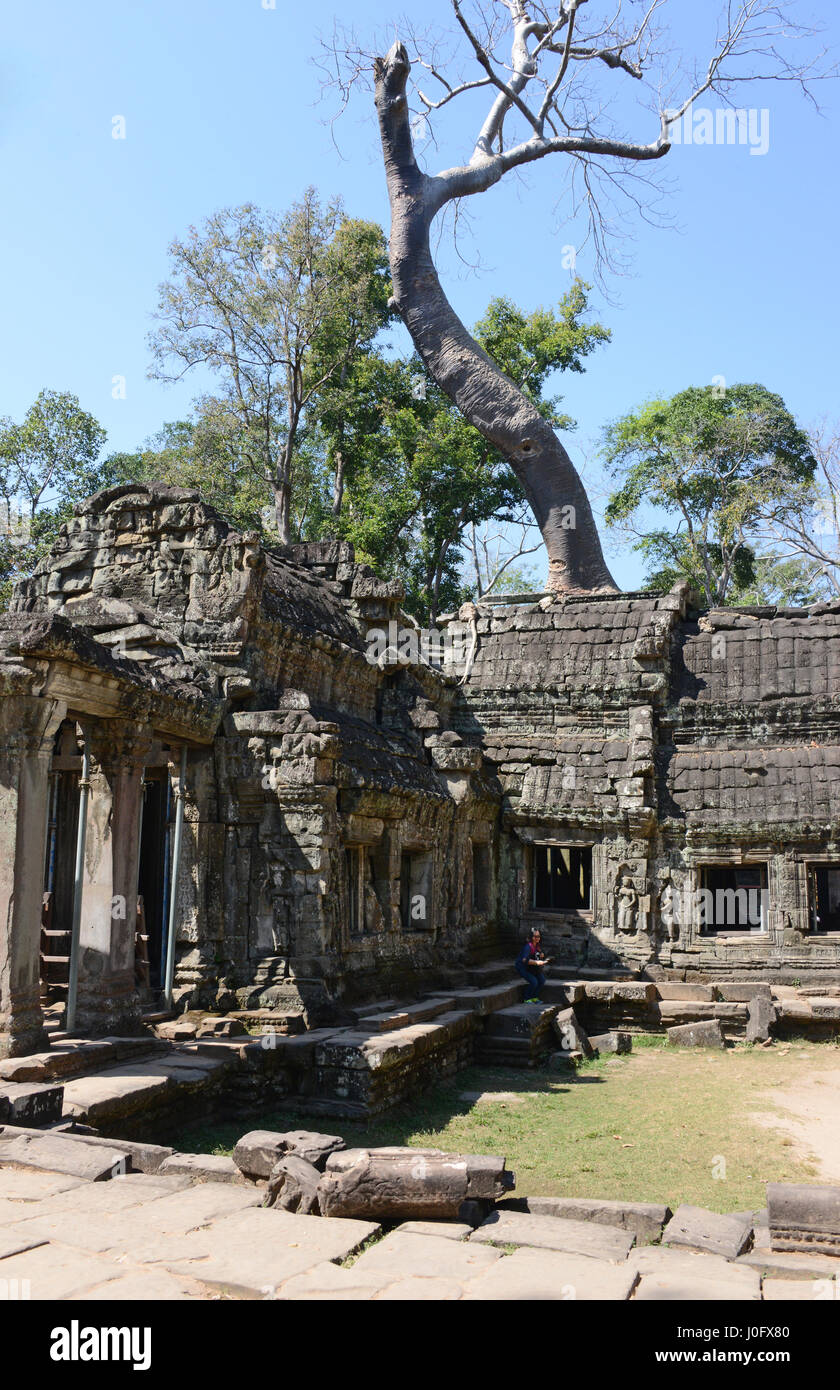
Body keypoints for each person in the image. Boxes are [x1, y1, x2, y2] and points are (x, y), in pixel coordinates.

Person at [515, 928, 551, 1002]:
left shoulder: (537, 946)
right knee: (534, 982)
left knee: (542, 980)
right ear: (531, 937)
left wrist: (542, 956)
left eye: (538, 936)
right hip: (523, 968)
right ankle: (527, 998)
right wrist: (537, 962)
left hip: (532, 968)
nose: (537, 938)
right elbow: (525, 960)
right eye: (535, 936)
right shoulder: (528, 947)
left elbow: (537, 955)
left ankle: (534, 997)